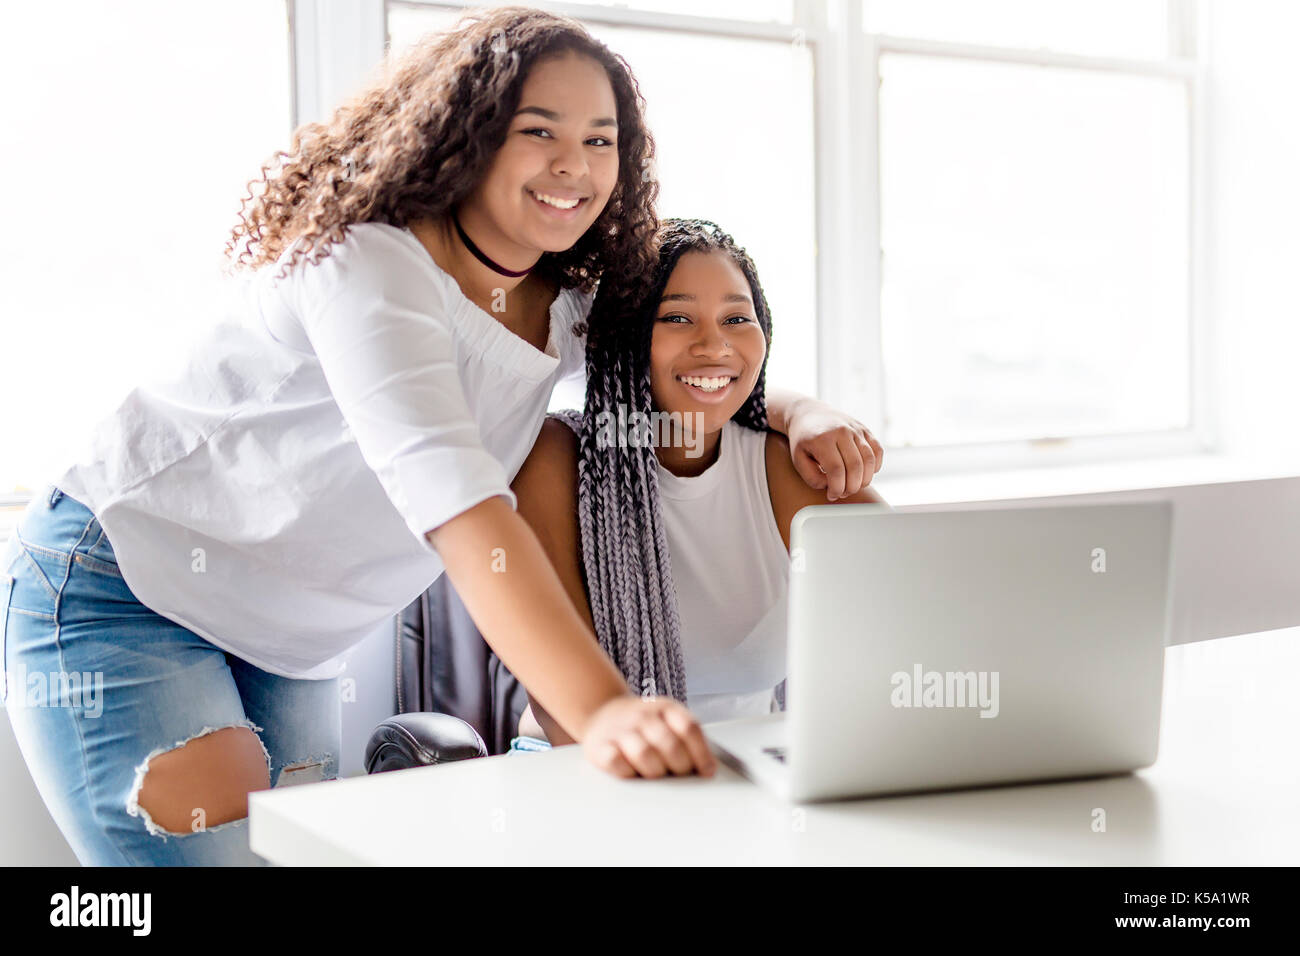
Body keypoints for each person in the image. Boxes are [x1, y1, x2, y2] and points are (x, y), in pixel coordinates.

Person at [0, 8, 881, 866]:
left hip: (292, 638)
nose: (574, 165)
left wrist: (802, 411)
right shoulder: (368, 264)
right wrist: (607, 712)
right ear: (470, 133)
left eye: (601, 139)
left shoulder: (569, 301)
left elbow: (688, 361)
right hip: (126, 581)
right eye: (540, 130)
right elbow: (463, 509)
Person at [510, 219, 888, 751]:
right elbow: (564, 711)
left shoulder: (788, 466)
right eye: (677, 317)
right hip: (583, 771)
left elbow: (922, 605)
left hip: (757, 771)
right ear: (627, 335)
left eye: (737, 317)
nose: (715, 345)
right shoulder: (557, 461)